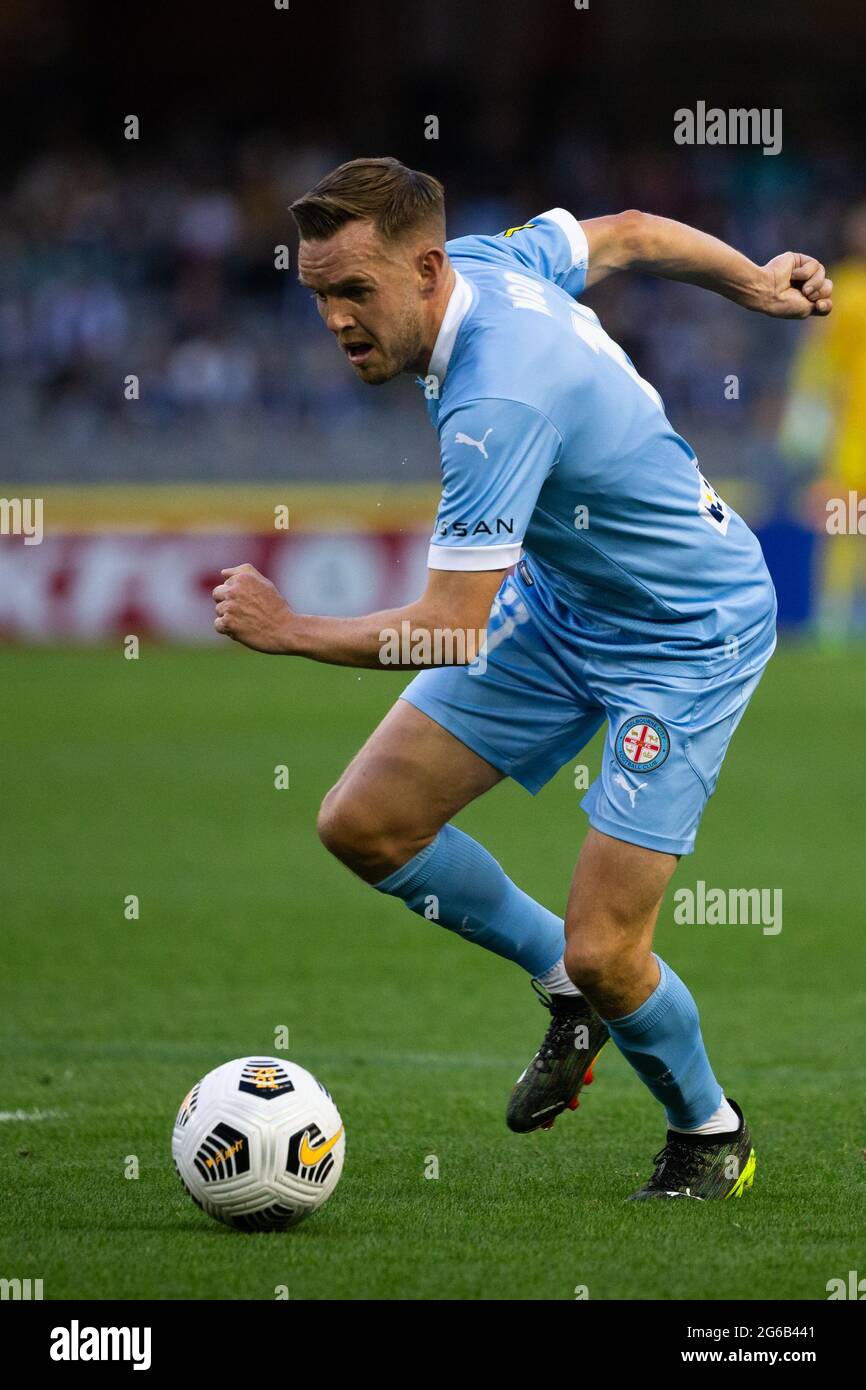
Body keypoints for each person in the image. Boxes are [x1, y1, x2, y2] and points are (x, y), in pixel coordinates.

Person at [212, 157, 832, 1200]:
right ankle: (563, 989)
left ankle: (706, 1132)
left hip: (686, 634)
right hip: (558, 606)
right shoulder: (495, 261)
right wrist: (752, 282)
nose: (333, 319)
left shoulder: (494, 394)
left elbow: (450, 628)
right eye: (317, 294)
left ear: (422, 269)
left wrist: (289, 629)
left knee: (608, 948)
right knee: (363, 824)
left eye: (353, 292)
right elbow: (630, 230)